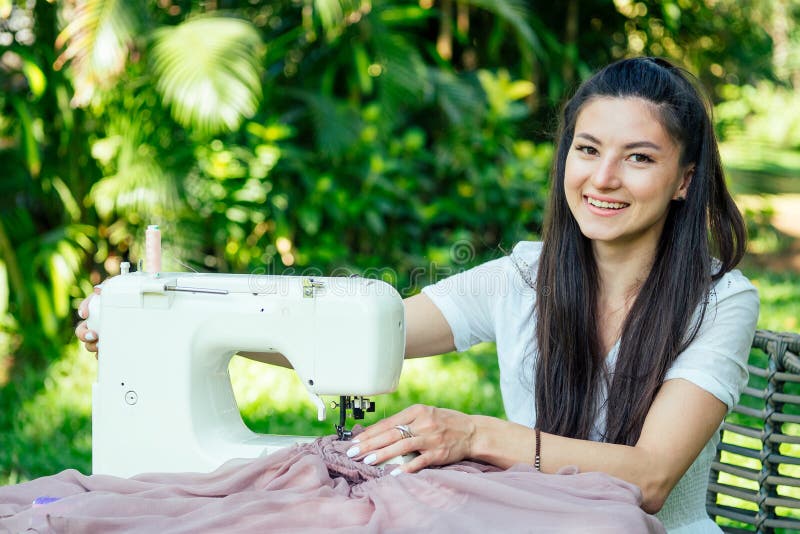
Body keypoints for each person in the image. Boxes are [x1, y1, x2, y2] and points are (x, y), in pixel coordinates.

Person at [76, 57, 759, 533]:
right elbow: (362, 337)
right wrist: (159, 325)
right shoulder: (523, 276)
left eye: (638, 157)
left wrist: (474, 434)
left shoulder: (721, 301)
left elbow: (648, 479)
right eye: (587, 150)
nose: (603, 178)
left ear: (681, 180)